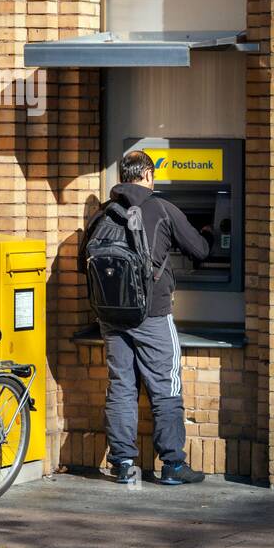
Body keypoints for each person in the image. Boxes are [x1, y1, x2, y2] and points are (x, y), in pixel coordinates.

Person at [79, 150, 211, 485]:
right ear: (149, 175)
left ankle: (123, 464)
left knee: (121, 387)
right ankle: (172, 465)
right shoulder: (162, 209)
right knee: (166, 386)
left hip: (111, 316)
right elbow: (201, 250)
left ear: (122, 177)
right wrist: (208, 232)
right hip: (152, 313)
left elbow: (85, 265)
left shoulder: (101, 214)